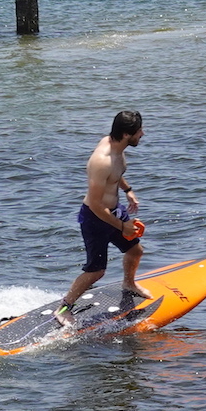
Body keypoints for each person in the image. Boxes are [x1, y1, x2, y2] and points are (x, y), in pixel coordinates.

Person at [56, 110, 153, 326]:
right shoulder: (102, 160)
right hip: (95, 218)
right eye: (139, 131)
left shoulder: (116, 148)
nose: (143, 134)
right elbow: (97, 205)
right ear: (127, 134)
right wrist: (122, 226)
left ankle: (129, 284)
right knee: (96, 271)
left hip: (114, 210)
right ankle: (64, 307)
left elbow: (115, 176)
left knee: (135, 250)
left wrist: (128, 190)